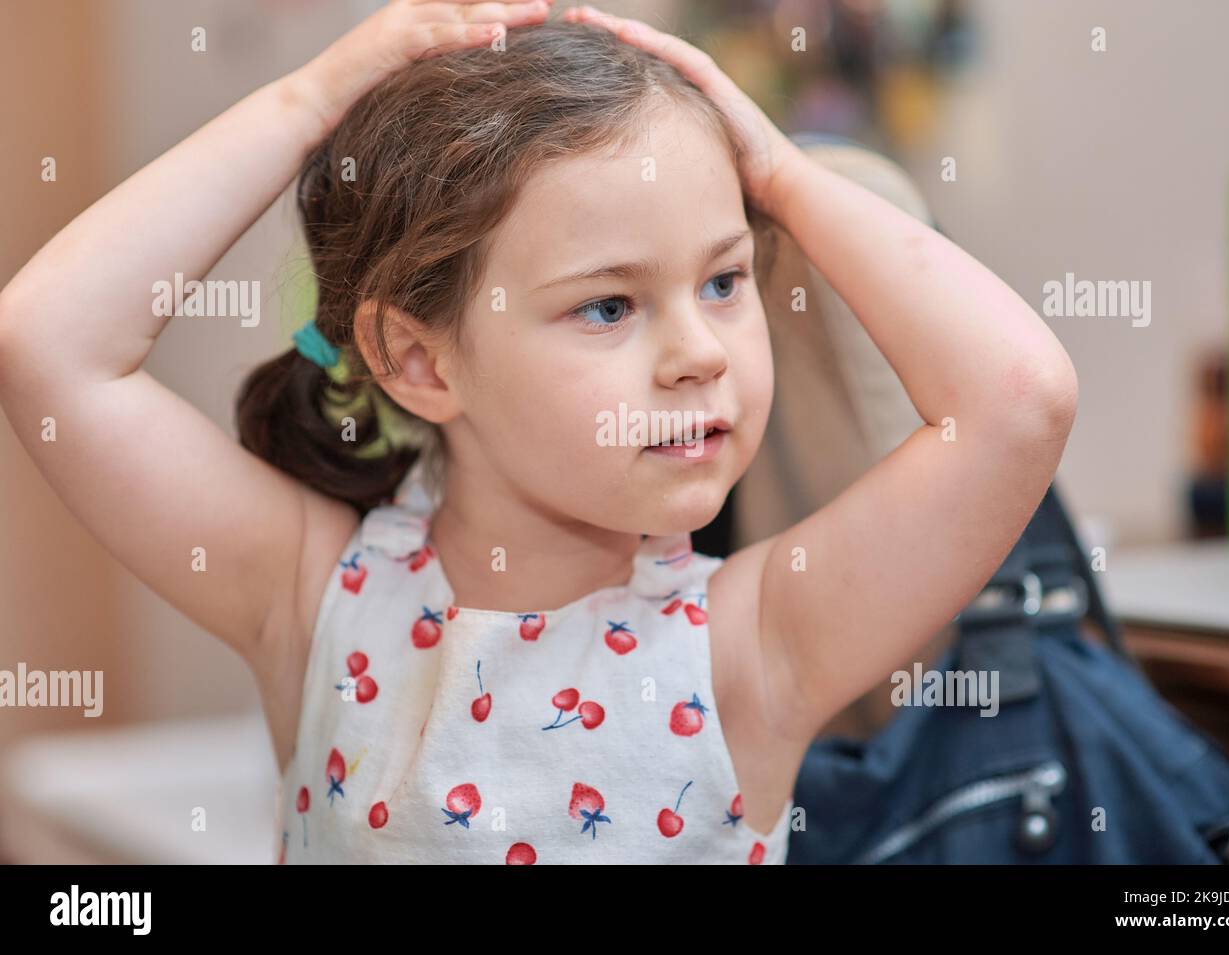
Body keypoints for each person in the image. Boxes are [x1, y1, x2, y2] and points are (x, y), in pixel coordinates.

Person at [0, 0, 1077, 864]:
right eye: (608, 306)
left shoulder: (751, 646)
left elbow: (1018, 401)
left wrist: (785, 175)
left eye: (723, 280)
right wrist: (308, 98)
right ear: (420, 361)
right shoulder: (314, 599)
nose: (698, 352)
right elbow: (48, 346)